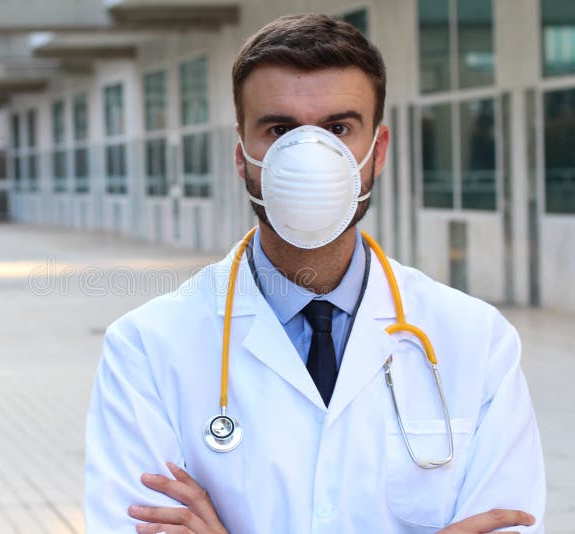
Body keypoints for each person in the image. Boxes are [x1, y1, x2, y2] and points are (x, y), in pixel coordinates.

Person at [85, 13, 545, 534]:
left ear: (380, 150)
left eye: (338, 129)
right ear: (242, 156)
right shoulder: (146, 349)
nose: (310, 157)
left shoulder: (476, 340)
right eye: (279, 130)